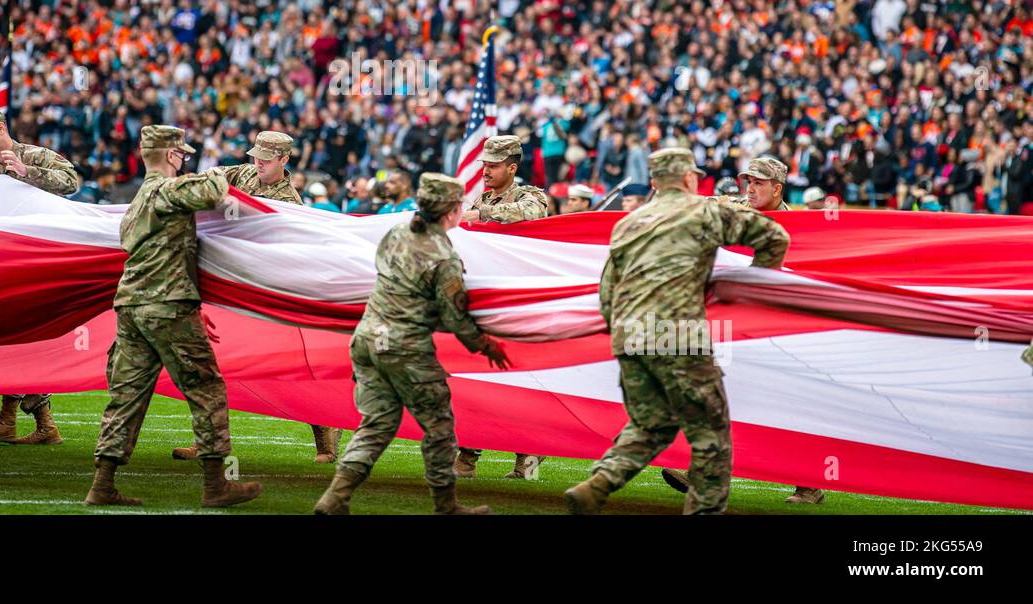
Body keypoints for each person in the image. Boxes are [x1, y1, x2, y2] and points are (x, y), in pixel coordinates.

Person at [564, 147, 790, 515]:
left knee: (650, 425)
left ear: (653, 182)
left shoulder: (628, 223)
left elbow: (608, 290)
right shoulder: (704, 212)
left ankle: (598, 484)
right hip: (678, 334)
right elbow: (775, 238)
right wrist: (753, 287)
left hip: (630, 337)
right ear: (689, 179)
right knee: (711, 437)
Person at [313, 172, 512, 515]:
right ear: (451, 210)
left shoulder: (398, 232)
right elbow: (455, 316)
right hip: (404, 348)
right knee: (439, 426)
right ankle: (446, 505)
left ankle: (334, 499)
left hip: (368, 339)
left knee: (375, 425)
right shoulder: (443, 256)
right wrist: (485, 345)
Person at [85, 125, 262, 508]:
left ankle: (102, 483)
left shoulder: (136, 202)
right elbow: (213, 192)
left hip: (131, 308)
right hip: (167, 305)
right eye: (182, 155)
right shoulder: (166, 190)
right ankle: (217, 485)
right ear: (170, 156)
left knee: (127, 395)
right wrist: (218, 170)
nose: (184, 162)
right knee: (206, 387)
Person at [665, 154, 825, 504]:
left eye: (758, 183)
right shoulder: (737, 209)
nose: (750, 189)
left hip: (785, 328)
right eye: (747, 182)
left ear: (778, 188)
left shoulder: (803, 229)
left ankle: (809, 481)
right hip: (740, 325)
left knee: (789, 402)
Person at [173, 130, 340, 463]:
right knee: (211, 360)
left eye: (265, 159)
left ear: (284, 160)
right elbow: (209, 179)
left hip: (267, 290)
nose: (258, 163)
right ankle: (208, 440)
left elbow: (289, 247)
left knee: (297, 361)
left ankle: (326, 429)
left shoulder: (290, 202)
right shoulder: (244, 172)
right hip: (227, 285)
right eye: (256, 156)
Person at [0, 104, 79, 446]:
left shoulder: (35, 155)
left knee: (24, 338)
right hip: (5, 263)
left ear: (1, 128)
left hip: (40, 261)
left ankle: (18, 419)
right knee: (12, 338)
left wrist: (28, 171)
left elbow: (71, 182)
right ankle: (33, 422)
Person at [457, 134, 549, 480]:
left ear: (512, 168)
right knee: (476, 380)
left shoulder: (528, 195)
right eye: (484, 165)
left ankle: (527, 457)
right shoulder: (483, 197)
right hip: (485, 300)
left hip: (519, 303)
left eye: (494, 166)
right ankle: (466, 454)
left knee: (522, 383)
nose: (486, 172)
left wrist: (482, 212)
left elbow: (531, 213)